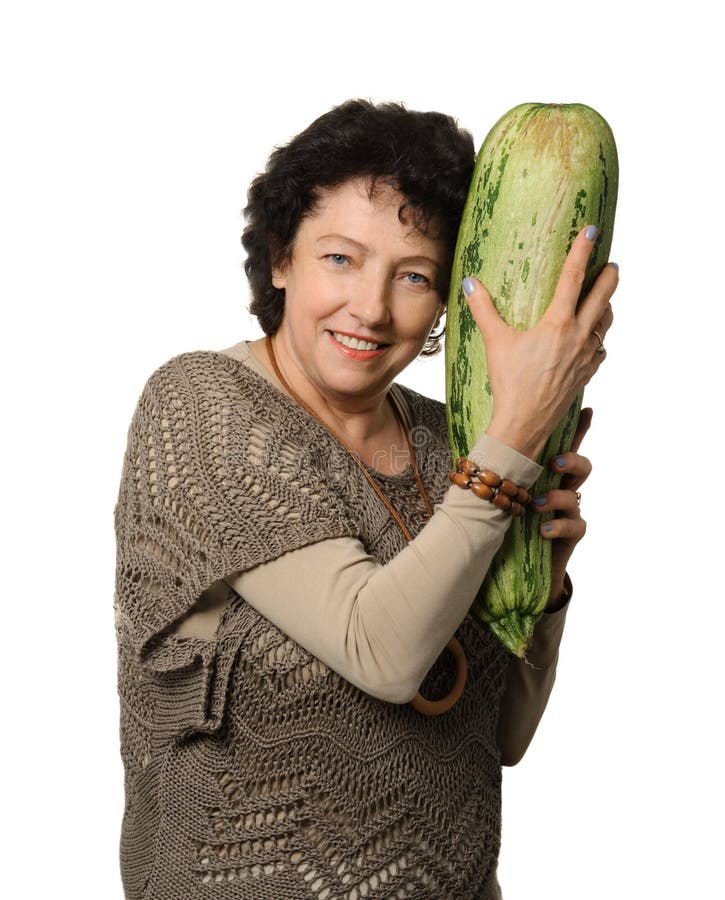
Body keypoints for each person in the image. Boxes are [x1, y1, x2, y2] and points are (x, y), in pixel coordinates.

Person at [113, 99, 617, 899]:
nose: (372, 308)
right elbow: (380, 652)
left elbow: (500, 736)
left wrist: (542, 586)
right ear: (280, 258)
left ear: (450, 299)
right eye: (340, 259)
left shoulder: (453, 442)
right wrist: (511, 444)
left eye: (413, 276)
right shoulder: (201, 405)